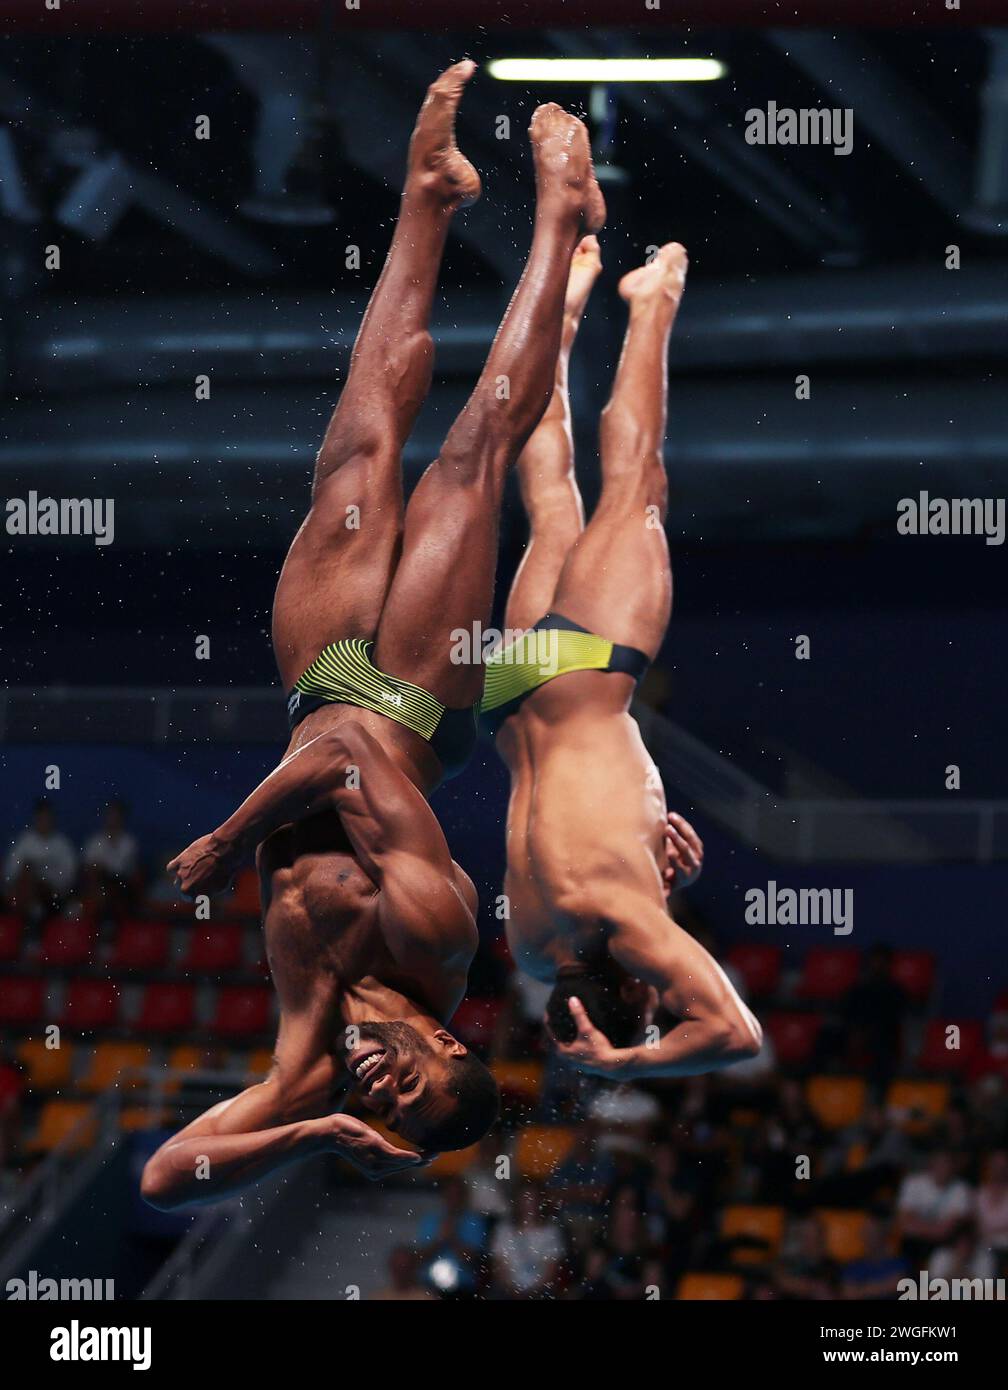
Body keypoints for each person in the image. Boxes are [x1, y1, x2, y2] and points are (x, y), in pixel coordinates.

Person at [141, 62, 606, 1209]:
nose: (380, 1088)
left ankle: (429, 193)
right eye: (408, 1092)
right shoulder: (436, 939)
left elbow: (164, 1177)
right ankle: (560, 220)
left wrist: (318, 1138)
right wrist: (220, 843)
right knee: (470, 457)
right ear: (451, 1051)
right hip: (405, 705)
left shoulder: (308, 1066)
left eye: (382, 1108)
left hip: (321, 682)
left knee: (354, 449)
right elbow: (347, 768)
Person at [480, 235, 761, 1080]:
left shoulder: (625, 922)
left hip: (579, 689)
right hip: (509, 698)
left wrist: (627, 1066)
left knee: (635, 487)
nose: (663, 997)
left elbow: (735, 1034)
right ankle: (558, 322)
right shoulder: (534, 949)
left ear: (638, 994)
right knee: (550, 503)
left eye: (652, 1006)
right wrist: (657, 876)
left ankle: (651, 301)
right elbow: (591, 858)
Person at [4, 799, 79, 910]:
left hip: (55, 896)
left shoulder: (62, 844)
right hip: (27, 896)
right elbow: (10, 872)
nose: (44, 821)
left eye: (47, 818)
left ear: (53, 819)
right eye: (41, 818)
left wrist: (46, 881)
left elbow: (70, 876)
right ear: (35, 819)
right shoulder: (24, 842)